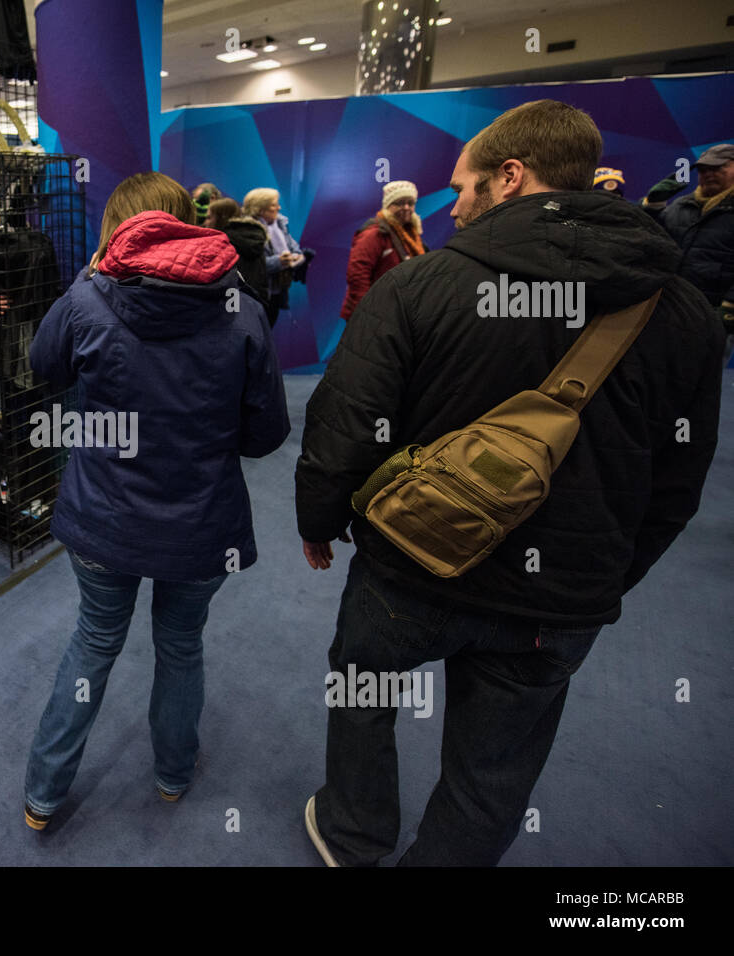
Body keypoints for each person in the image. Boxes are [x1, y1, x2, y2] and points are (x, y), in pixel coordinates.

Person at [293, 99, 723, 867]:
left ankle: (353, 834)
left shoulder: (419, 287)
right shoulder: (686, 313)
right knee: (493, 771)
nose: (452, 204)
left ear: (510, 176)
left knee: (362, 695)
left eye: (463, 186)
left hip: (409, 567)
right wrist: (604, 574)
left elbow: (346, 424)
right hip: (560, 599)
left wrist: (319, 519)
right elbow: (678, 481)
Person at [22, 171, 291, 830]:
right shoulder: (241, 307)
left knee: (92, 644)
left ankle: (43, 796)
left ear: (117, 228)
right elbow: (266, 436)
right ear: (186, 223)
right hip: (201, 526)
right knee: (181, 647)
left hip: (103, 520)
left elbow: (42, 364)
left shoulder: (88, 299)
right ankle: (173, 775)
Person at [642, 143, 734, 348]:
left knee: (706, 378)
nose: (708, 174)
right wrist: (652, 206)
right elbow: (651, 239)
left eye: (718, 168)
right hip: (671, 310)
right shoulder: (681, 206)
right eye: (703, 169)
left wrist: (729, 309)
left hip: (713, 317)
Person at [340, 180, 428, 321]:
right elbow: (357, 275)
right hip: (373, 315)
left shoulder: (412, 234)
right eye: (399, 203)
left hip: (394, 313)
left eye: (410, 203)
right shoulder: (374, 233)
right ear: (388, 205)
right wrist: (366, 314)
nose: (406, 207)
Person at [242, 187, 315, 327]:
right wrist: (280, 261)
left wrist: (297, 258)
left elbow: (295, 249)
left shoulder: (280, 225)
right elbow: (251, 266)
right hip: (257, 293)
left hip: (277, 291)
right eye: (274, 204)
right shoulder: (247, 230)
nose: (279, 207)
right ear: (260, 209)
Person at [204, 196, 268, 305]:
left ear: (221, 218)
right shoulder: (253, 236)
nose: (205, 223)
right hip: (255, 304)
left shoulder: (225, 243)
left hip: (232, 306)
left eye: (209, 218)